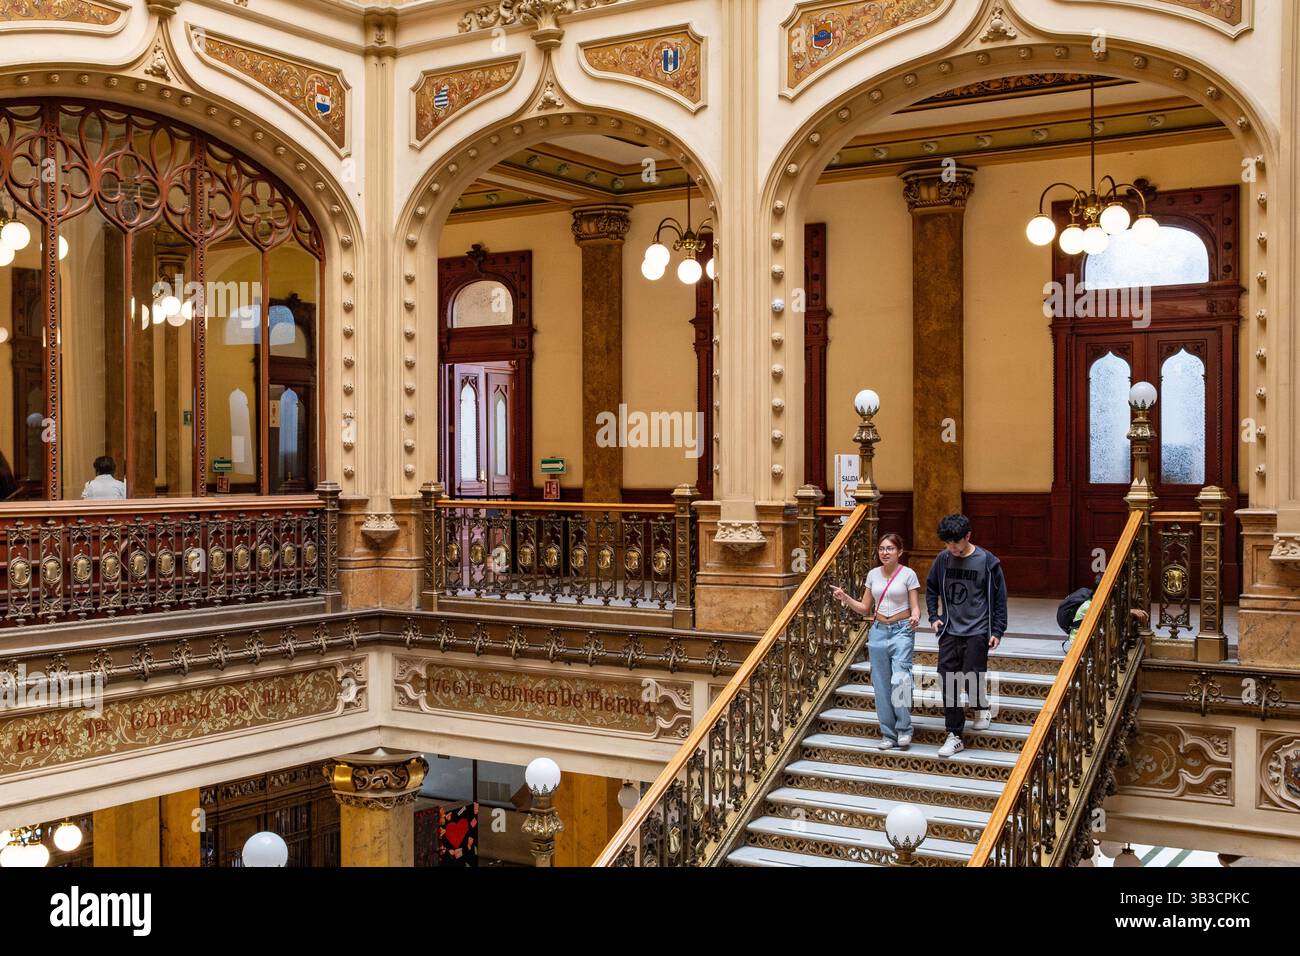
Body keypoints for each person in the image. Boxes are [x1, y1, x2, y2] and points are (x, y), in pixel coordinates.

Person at [925, 514, 1008, 758]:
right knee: (947, 679)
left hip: (978, 630)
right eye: (948, 543)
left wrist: (998, 630)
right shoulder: (943, 559)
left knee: (972, 676)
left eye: (956, 543)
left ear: (968, 536)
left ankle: (981, 707)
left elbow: (999, 599)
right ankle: (954, 734)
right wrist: (933, 616)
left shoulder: (987, 562)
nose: (952, 548)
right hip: (950, 630)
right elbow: (931, 588)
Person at [831, 533, 921, 750]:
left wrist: (916, 616)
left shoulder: (908, 574)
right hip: (879, 631)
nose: (885, 552)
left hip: (902, 630)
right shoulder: (873, 574)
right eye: (881, 549)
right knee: (881, 685)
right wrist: (845, 598)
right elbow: (864, 607)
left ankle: (904, 729)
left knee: (899, 680)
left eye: (890, 548)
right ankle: (888, 734)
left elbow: (915, 605)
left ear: (899, 551)